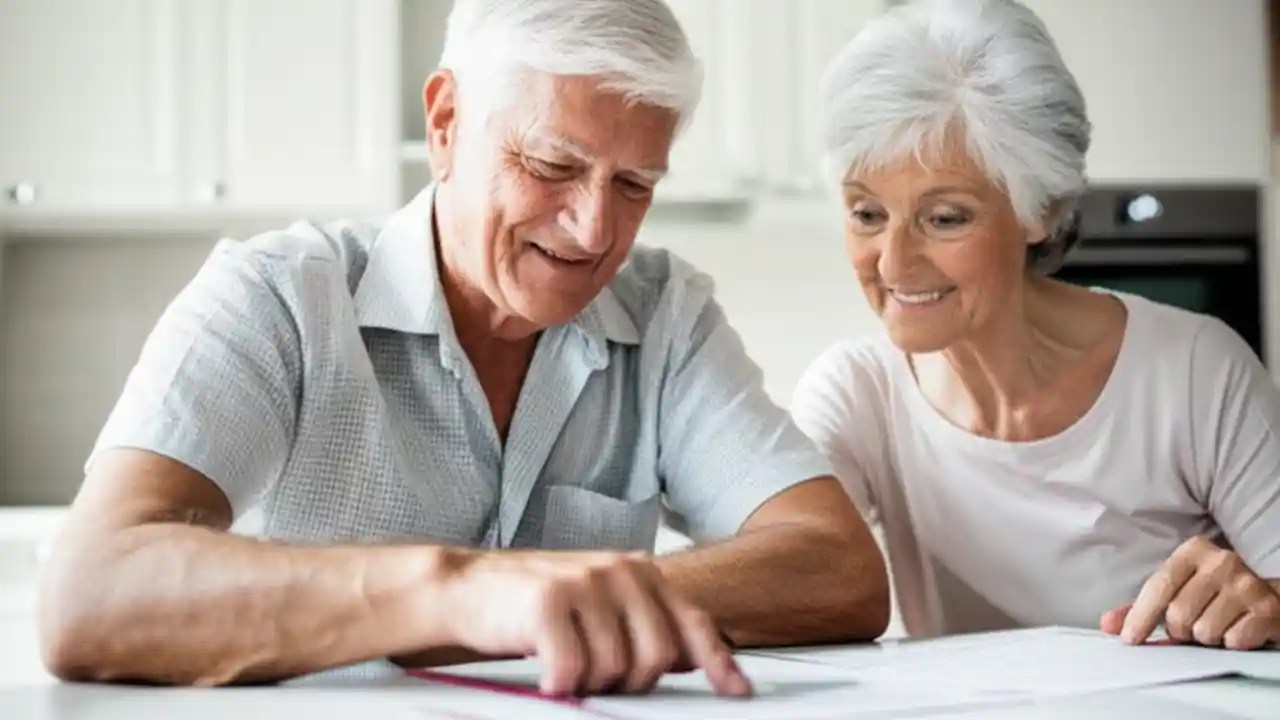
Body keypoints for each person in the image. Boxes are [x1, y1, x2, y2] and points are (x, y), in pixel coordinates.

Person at [39, 0, 889, 694]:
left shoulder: (666, 317)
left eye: (634, 185)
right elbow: (90, 592)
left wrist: (572, 605)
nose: (595, 228)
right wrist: (460, 594)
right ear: (446, 122)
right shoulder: (279, 297)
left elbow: (839, 568)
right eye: (553, 164)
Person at [792, 0, 1280, 651]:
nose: (894, 262)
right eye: (867, 213)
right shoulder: (856, 393)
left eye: (944, 218)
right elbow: (787, 572)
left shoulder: (1196, 371)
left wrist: (1266, 601)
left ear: (1040, 210)